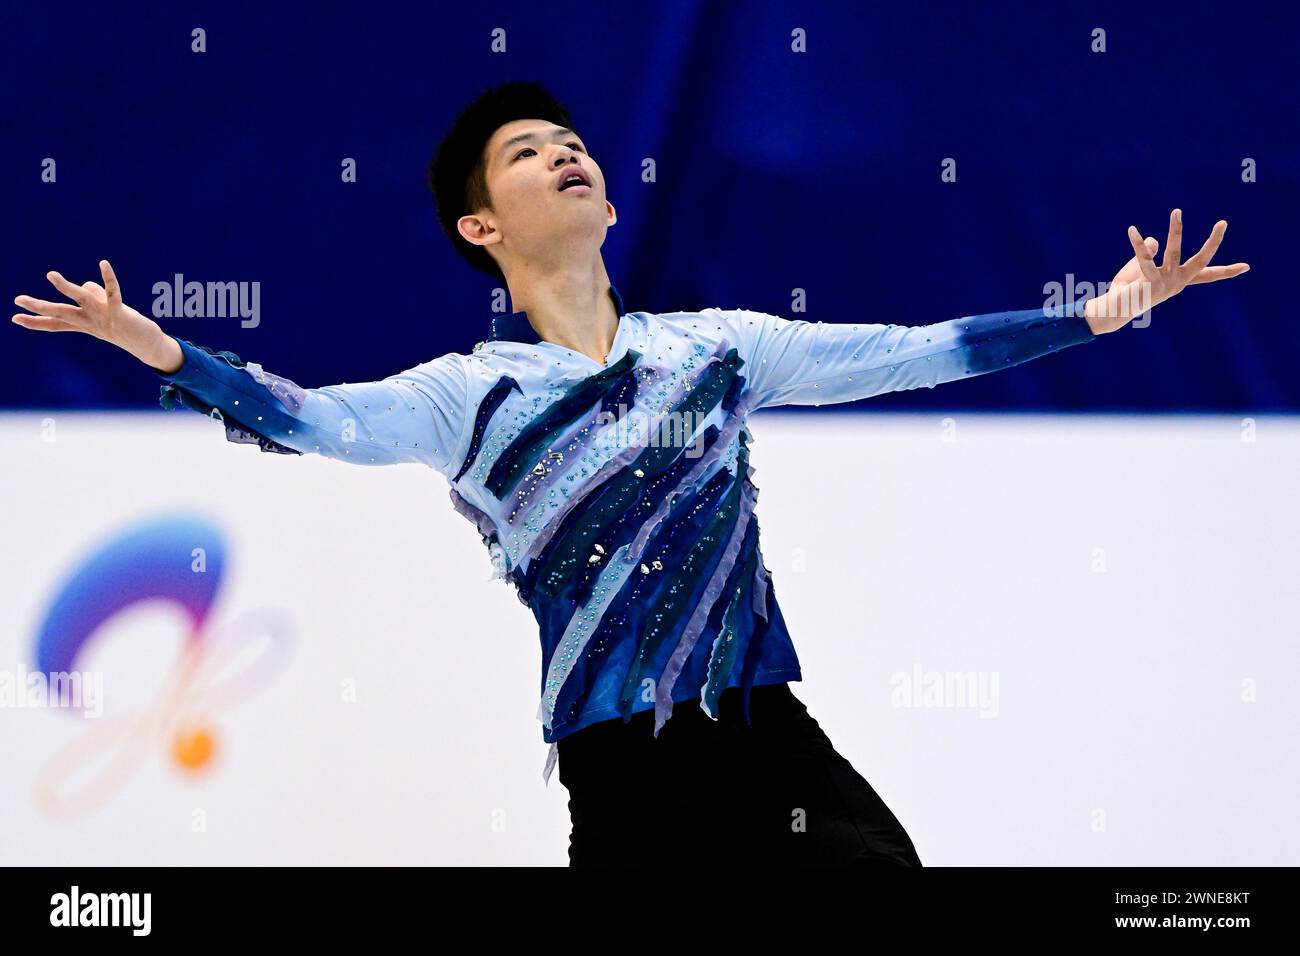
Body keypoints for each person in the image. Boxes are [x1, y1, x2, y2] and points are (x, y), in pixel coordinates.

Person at [11, 82, 1249, 866]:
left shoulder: (714, 351)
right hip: (627, 777)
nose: (566, 154)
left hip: (766, 743)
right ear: (478, 225)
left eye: (573, 141)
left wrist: (1095, 316)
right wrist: (164, 347)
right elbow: (314, 420)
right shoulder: (470, 395)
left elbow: (910, 354)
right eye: (527, 153)